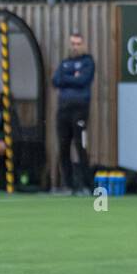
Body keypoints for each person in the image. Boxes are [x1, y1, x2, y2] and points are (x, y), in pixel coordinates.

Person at [51, 31, 95, 195]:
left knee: (80, 146)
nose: (75, 47)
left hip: (80, 109)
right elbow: (55, 80)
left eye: (78, 43)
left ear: (83, 45)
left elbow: (83, 80)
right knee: (63, 147)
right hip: (63, 109)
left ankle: (86, 185)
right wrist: (72, 77)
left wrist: (67, 78)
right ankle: (69, 185)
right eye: (73, 44)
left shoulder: (88, 62)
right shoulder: (65, 62)